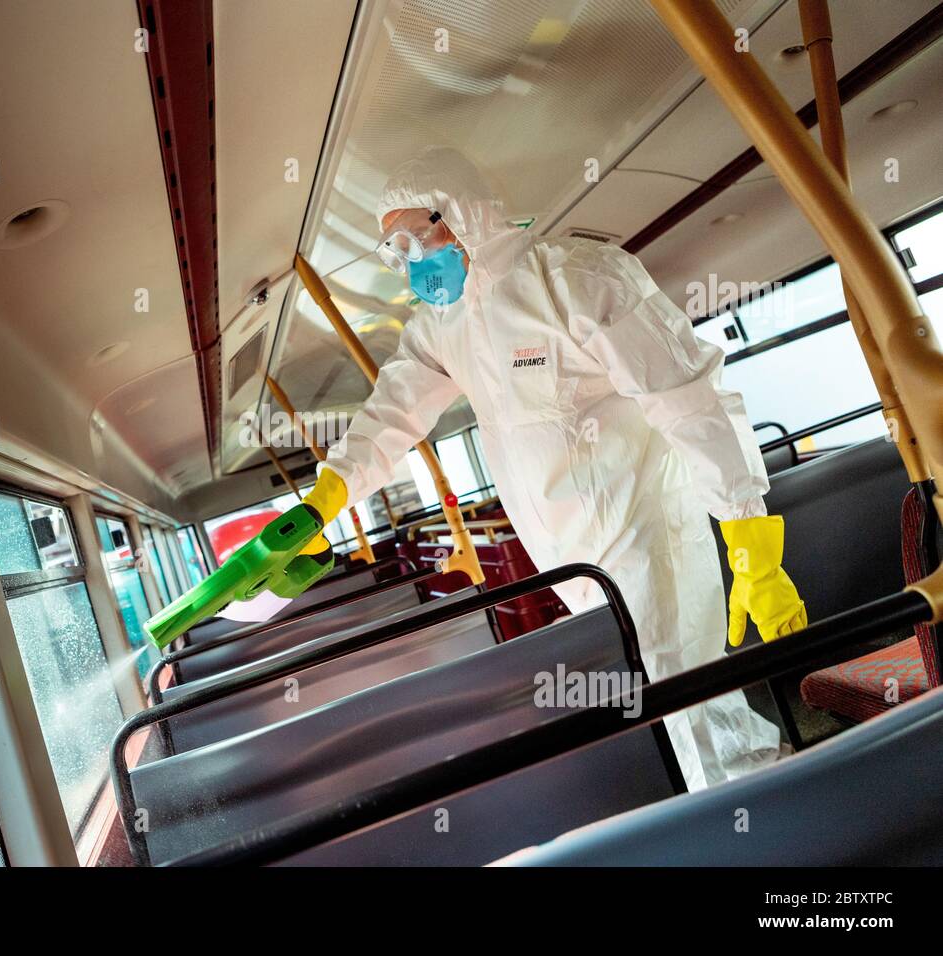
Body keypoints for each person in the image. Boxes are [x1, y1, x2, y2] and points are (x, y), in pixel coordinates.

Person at [293, 146, 806, 790]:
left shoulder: (578, 279)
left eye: (408, 242)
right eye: (393, 255)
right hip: (574, 565)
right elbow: (390, 414)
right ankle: (762, 807)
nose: (407, 265)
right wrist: (326, 499)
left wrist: (747, 531)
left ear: (455, 215)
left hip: (649, 536)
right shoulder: (444, 327)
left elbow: (689, 398)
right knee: (668, 718)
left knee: (686, 709)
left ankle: (768, 832)